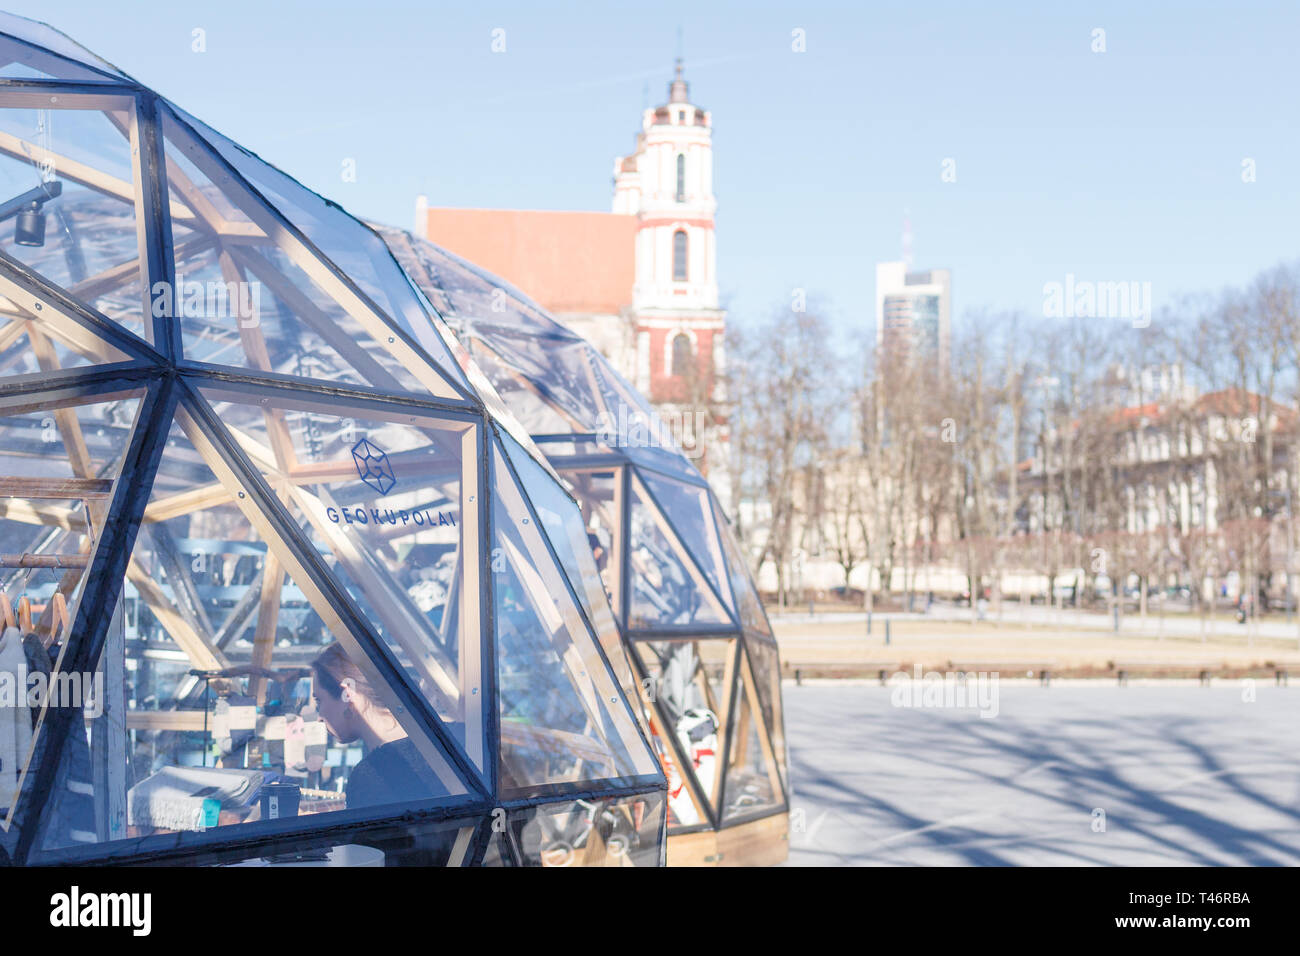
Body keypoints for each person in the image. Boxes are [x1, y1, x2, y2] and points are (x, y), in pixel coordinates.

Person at [310, 643, 444, 810]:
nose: (319, 717)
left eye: (319, 700)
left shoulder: (371, 777)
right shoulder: (441, 743)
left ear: (347, 693)